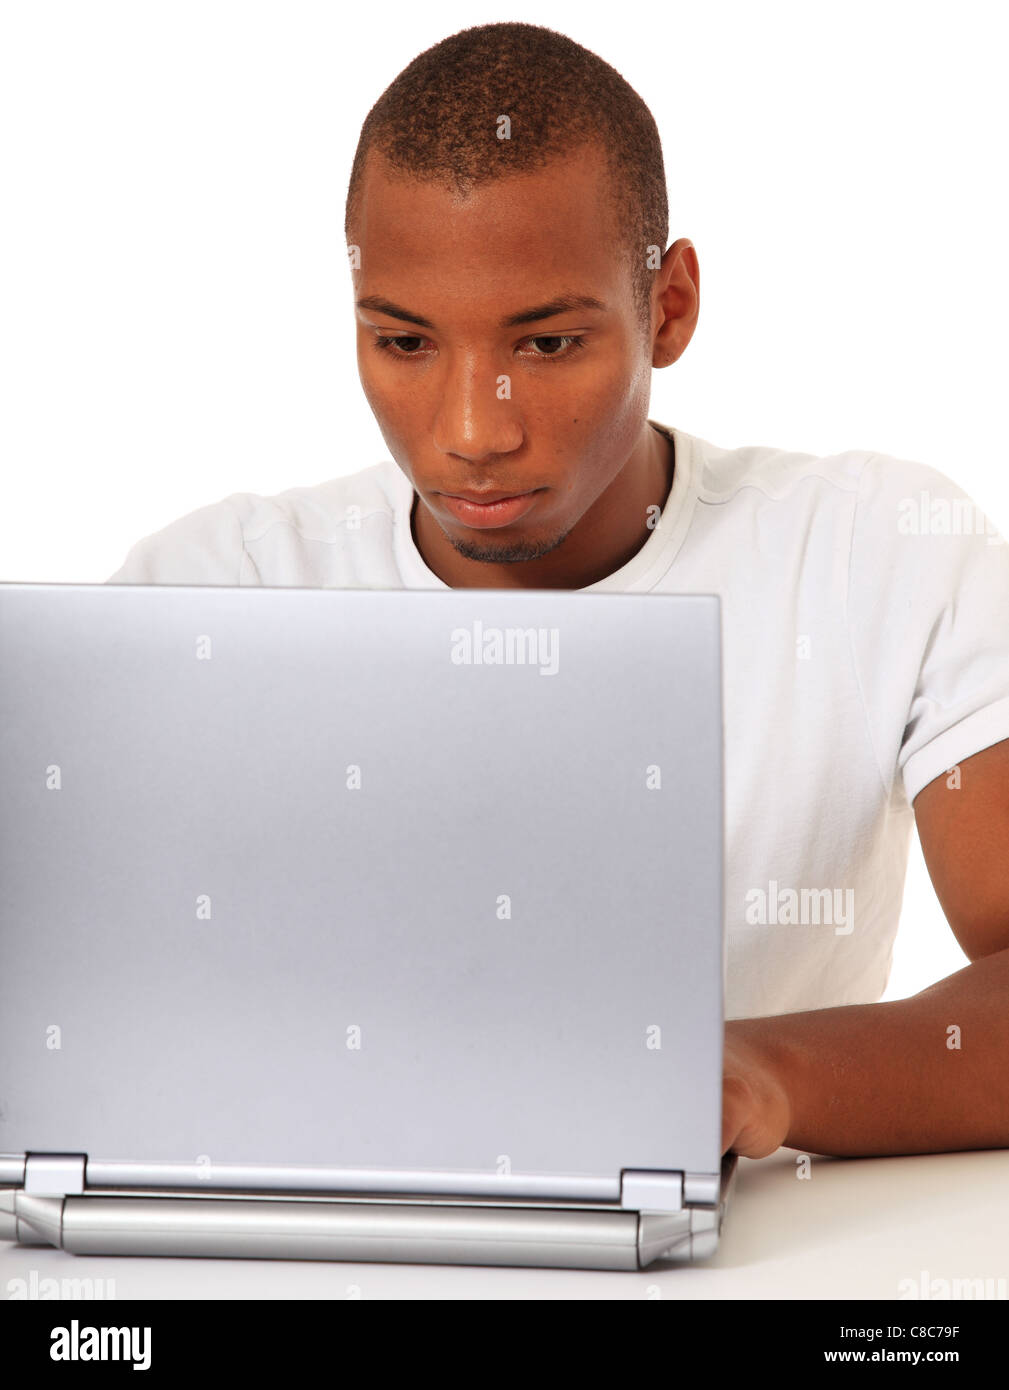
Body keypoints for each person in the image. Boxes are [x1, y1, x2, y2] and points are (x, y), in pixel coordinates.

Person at [106, 22, 1009, 1163]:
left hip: (755, 1265)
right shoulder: (208, 592)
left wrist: (747, 1077)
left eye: (545, 343)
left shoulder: (878, 555)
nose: (472, 432)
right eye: (403, 341)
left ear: (668, 307)